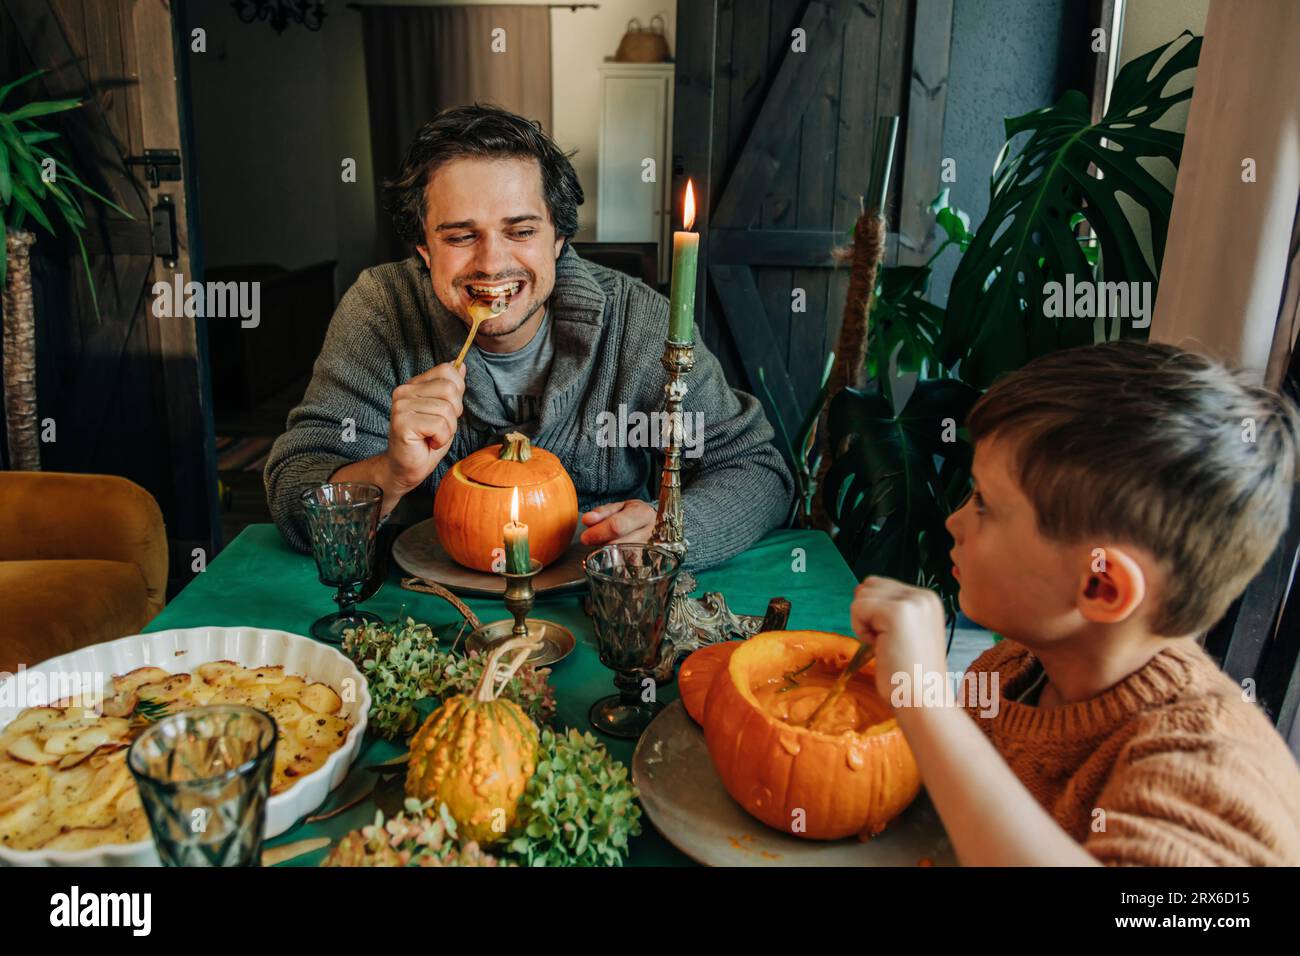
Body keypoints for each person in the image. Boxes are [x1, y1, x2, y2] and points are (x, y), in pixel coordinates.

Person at [264, 105, 792, 568]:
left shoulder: (638, 323)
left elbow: (757, 468)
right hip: (424, 605)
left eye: (520, 231)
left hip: (597, 600)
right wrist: (391, 473)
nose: (492, 264)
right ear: (425, 250)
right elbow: (294, 491)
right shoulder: (383, 310)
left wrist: (674, 530)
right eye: (460, 236)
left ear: (558, 238)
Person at [850, 340, 1300, 865]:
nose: (954, 521)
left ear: (1101, 586)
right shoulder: (1010, 671)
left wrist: (925, 701)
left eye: (984, 503)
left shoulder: (1209, 773)